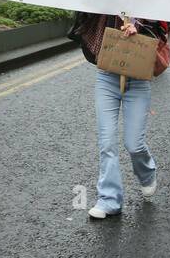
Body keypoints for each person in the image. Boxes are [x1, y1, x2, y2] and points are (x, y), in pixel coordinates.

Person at [70, 13, 165, 219]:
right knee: (107, 142)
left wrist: (137, 28)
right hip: (107, 76)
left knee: (134, 144)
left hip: (138, 78)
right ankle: (109, 199)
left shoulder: (152, 0)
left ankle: (147, 173)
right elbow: (85, 15)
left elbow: (162, 31)